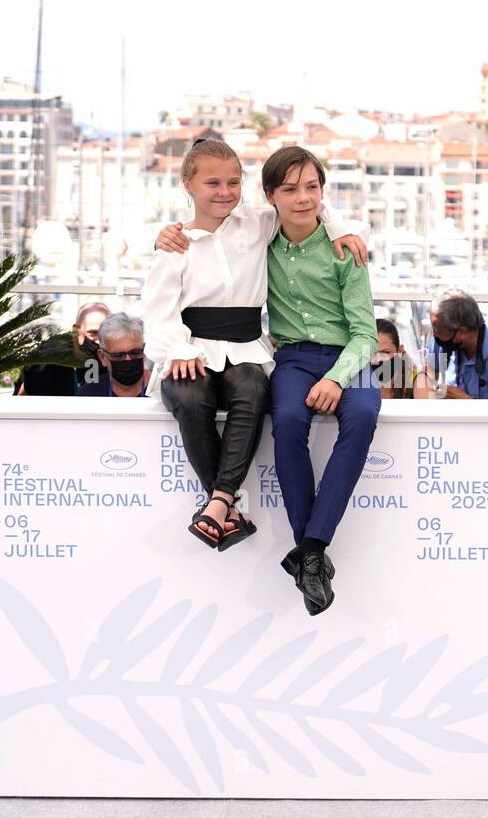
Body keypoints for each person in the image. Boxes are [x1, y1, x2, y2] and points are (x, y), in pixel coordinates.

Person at [147, 138, 368, 552]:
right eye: (213, 183)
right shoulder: (175, 245)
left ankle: (218, 504)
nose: (225, 192)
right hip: (191, 344)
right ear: (188, 185)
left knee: (252, 390)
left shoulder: (256, 223)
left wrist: (342, 229)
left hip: (246, 346)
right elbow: (157, 311)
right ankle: (225, 501)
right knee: (190, 398)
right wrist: (179, 350)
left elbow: (305, 203)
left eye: (233, 182)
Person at [260, 146, 380, 616]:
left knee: (365, 413)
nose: (303, 198)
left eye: (312, 187)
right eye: (290, 189)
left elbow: (366, 333)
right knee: (287, 420)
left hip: (347, 356)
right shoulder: (260, 245)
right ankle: (311, 556)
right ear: (270, 195)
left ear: (323, 193)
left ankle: (310, 548)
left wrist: (336, 378)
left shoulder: (343, 250)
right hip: (292, 358)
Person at [426, 289, 488, 400]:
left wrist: (465, 400)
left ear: (462, 332)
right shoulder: (442, 338)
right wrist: (431, 389)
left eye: (436, 328)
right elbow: (429, 371)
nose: (433, 334)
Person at [15, 301, 110, 395]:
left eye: (105, 333)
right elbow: (25, 393)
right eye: (93, 333)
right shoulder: (49, 357)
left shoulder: (113, 356)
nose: (99, 340)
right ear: (77, 330)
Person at [75, 312, 150, 398]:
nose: (128, 359)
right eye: (118, 355)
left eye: (135, 353)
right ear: (102, 357)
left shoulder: (161, 390)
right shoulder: (88, 395)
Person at [371, 318, 431, 400]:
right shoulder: (359, 384)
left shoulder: (418, 382)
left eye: (385, 352)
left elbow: (425, 411)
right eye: (373, 353)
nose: (378, 359)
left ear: (399, 351)